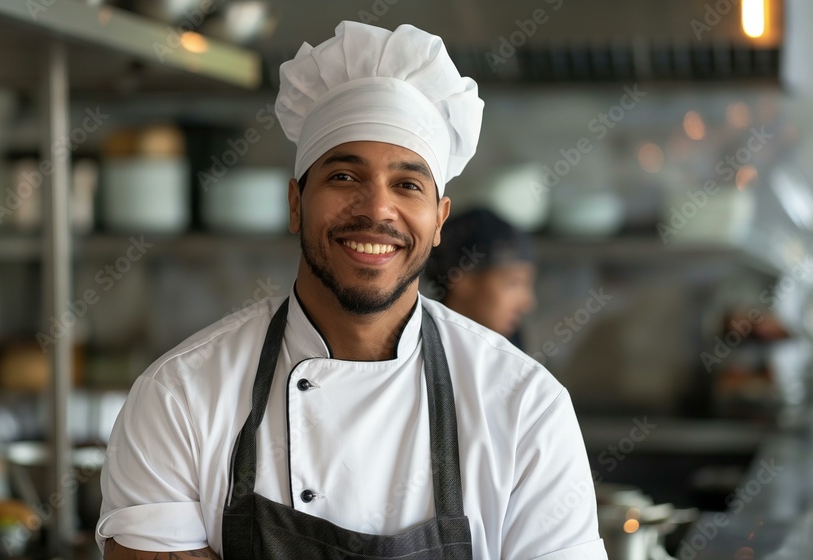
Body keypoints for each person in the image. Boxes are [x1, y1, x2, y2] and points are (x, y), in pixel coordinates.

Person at [97, 20, 605, 560]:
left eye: (407, 184)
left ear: (438, 221)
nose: (376, 209)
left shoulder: (525, 405)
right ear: (295, 203)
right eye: (344, 177)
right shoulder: (181, 397)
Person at [423, 207, 536, 349]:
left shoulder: (515, 354)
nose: (527, 303)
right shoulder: (419, 350)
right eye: (513, 283)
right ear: (462, 279)